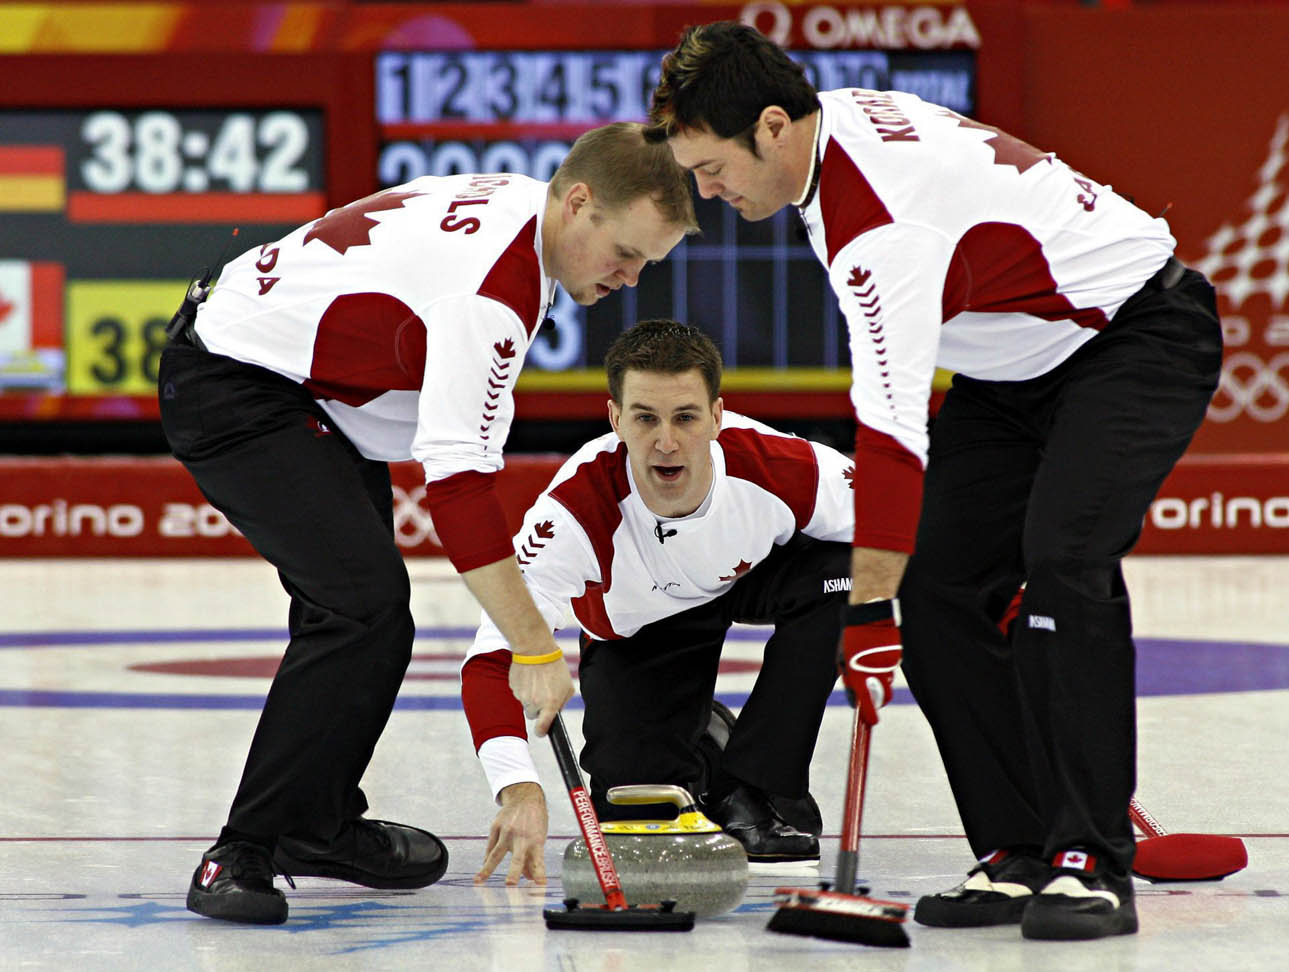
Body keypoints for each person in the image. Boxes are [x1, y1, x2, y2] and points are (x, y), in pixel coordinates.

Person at [648, 23, 1223, 941]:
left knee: (1062, 558)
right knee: (945, 581)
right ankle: (1015, 851)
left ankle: (1090, 862)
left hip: (1133, 334)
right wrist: (895, 594)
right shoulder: (823, 136)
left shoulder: (881, 223)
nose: (708, 193)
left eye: (714, 168)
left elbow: (889, 435)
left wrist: (867, 614)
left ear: (771, 126)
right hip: (1010, 368)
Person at [158, 123, 697, 925]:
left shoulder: (524, 209)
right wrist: (535, 648)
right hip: (238, 383)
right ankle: (238, 852)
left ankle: (317, 821)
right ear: (578, 202)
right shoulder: (490, 292)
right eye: (624, 252)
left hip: (313, 390)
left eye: (648, 263)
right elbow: (458, 493)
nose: (630, 276)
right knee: (361, 604)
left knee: (365, 615)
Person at [460, 320, 856, 885]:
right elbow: (490, 659)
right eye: (645, 418)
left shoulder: (783, 466)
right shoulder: (572, 513)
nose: (666, 442)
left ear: (717, 416)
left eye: (686, 418)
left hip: (750, 577)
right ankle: (705, 740)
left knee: (852, 575)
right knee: (636, 811)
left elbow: (906, 533)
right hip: (640, 627)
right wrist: (519, 788)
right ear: (616, 418)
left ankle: (757, 782)